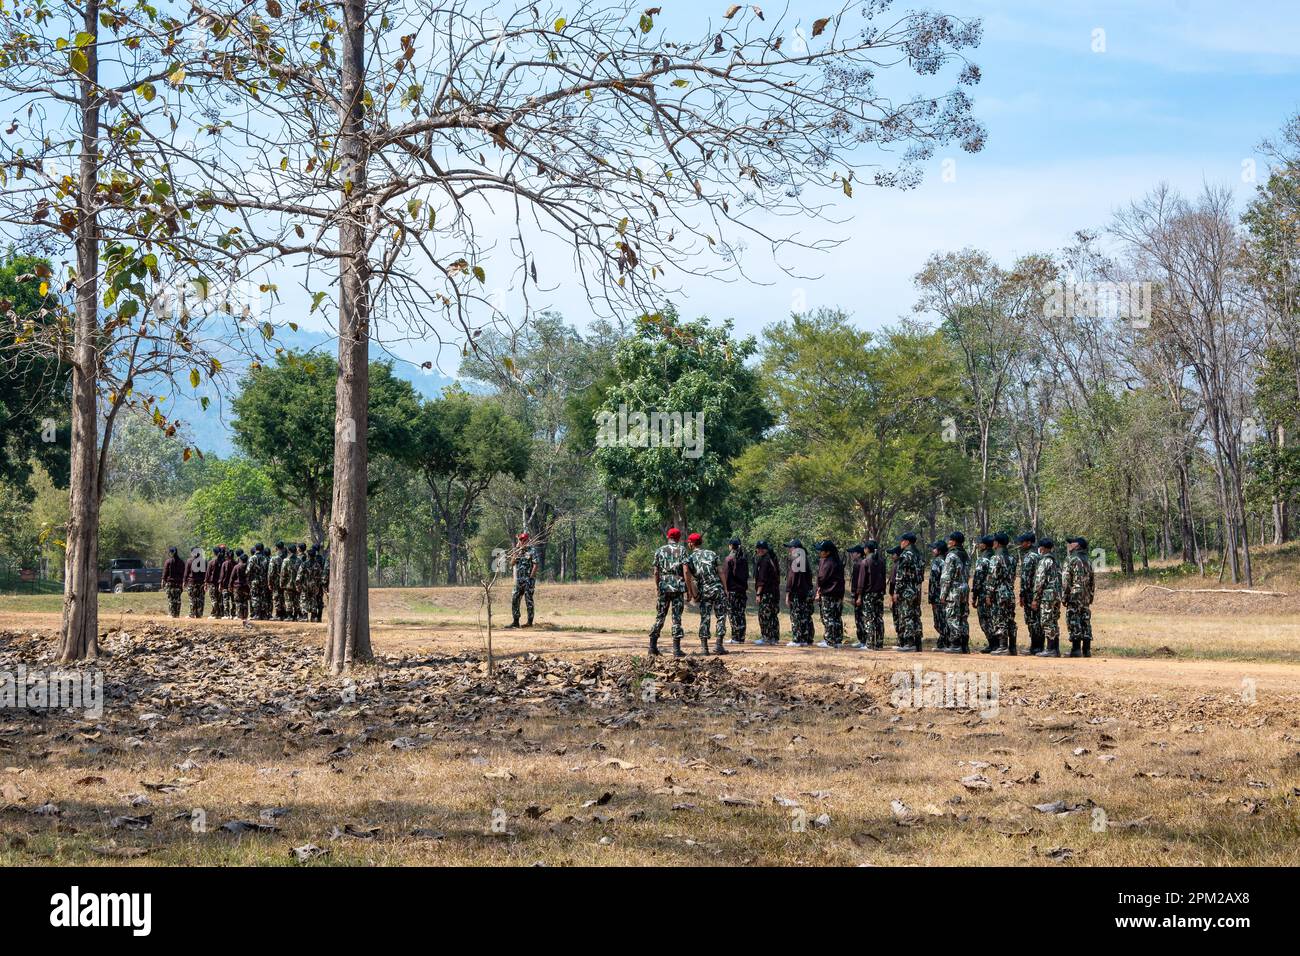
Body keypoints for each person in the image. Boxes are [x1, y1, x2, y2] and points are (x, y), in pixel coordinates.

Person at [684, 532, 727, 655]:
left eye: (689, 542)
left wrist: (691, 592)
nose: (689, 544)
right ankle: (719, 645)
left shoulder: (690, 558)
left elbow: (688, 574)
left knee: (705, 617)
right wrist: (725, 588)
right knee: (721, 616)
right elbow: (721, 572)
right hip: (717, 588)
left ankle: (704, 648)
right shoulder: (712, 553)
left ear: (692, 544)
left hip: (705, 590)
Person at [649, 528, 687, 657]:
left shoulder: (659, 550)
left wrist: (658, 587)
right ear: (679, 538)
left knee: (660, 616)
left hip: (664, 585)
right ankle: (676, 649)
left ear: (668, 536)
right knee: (676, 618)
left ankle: (652, 647)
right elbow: (685, 570)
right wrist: (687, 586)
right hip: (677, 585)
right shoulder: (682, 550)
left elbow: (656, 571)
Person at [1062, 536, 1095, 657]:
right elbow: (1092, 580)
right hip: (1085, 595)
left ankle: (1076, 650)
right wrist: (1091, 595)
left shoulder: (1071, 559)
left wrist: (1064, 596)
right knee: (1085, 620)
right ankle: (1087, 650)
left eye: (1071, 543)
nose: (1069, 545)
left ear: (1078, 546)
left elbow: (1066, 581)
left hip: (1074, 595)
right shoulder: (1088, 560)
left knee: (1073, 619)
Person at [939, 530, 970, 654]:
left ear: (954, 542)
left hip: (954, 590)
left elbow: (946, 577)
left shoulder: (951, 555)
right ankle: (964, 645)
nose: (948, 542)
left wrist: (943, 594)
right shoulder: (965, 555)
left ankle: (955, 644)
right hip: (964, 589)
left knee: (952, 617)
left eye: (950, 540)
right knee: (963, 617)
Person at [1031, 537, 1062, 657]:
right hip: (1056, 595)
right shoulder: (1055, 561)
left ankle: (1050, 649)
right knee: (1053, 620)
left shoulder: (1044, 561)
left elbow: (1040, 581)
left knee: (1046, 621)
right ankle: (1055, 648)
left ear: (1042, 548)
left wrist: (1035, 598)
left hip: (1047, 596)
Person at [893, 532, 924, 651]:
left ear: (907, 542)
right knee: (916, 615)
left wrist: (896, 592)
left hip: (906, 590)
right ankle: (917, 643)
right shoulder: (918, 554)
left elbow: (900, 576)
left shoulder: (906, 555)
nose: (900, 543)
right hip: (916, 589)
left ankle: (909, 644)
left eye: (902, 541)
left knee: (907, 616)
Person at [815, 540, 845, 648]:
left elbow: (822, 578)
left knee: (829, 617)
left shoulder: (828, 562)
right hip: (837, 594)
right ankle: (837, 640)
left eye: (821, 551)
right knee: (836, 617)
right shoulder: (837, 561)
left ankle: (830, 641)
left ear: (828, 552)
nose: (820, 552)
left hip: (829, 594)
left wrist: (818, 590)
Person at [991, 532, 1017, 655]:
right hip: (1010, 592)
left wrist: (988, 594)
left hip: (999, 593)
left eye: (994, 541)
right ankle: (1012, 647)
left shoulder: (995, 558)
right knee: (1010, 619)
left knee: (1000, 618)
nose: (993, 543)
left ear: (998, 543)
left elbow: (992, 578)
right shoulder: (1012, 558)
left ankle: (1002, 647)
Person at [785, 538, 815, 646]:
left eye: (790, 547)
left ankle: (798, 639)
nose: (789, 550)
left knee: (797, 616)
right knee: (805, 616)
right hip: (805, 592)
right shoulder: (804, 558)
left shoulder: (797, 558)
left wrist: (788, 593)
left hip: (798, 593)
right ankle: (807, 638)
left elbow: (793, 578)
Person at [1017, 533, 1043, 654]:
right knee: (1038, 619)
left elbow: (1026, 578)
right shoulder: (1038, 556)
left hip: (1030, 594)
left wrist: (1022, 594)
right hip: (1038, 593)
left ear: (1029, 543)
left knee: (1032, 620)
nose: (1020, 545)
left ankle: (1035, 647)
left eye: (1022, 542)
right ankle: (1039, 646)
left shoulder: (1029, 557)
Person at [752, 540, 781, 646]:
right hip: (774, 592)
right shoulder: (772, 558)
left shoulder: (764, 561)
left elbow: (761, 580)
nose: (758, 550)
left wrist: (758, 594)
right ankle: (774, 638)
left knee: (764, 615)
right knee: (773, 615)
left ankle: (766, 637)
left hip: (766, 593)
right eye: (758, 548)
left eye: (760, 548)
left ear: (763, 550)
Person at [508, 532, 538, 628]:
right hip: (519, 580)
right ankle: (515, 621)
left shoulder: (532, 551)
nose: (522, 541)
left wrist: (531, 577)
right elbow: (512, 563)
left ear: (527, 540)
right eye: (520, 540)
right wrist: (516, 551)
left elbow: (535, 565)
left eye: (523, 540)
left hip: (528, 579)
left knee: (528, 600)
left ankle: (529, 622)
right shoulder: (519, 552)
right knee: (515, 598)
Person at [972, 535, 996, 653]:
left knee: (985, 620)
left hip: (983, 593)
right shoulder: (995, 556)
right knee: (993, 618)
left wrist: (974, 596)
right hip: (995, 593)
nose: (979, 545)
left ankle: (993, 643)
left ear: (985, 545)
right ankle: (998, 643)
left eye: (980, 543)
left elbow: (978, 579)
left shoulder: (983, 559)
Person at [722, 538, 748, 644]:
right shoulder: (744, 559)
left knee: (733, 614)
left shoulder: (729, 559)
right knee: (741, 614)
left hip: (732, 591)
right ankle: (741, 637)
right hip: (742, 591)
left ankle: (735, 637)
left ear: (730, 546)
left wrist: (725, 589)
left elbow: (726, 576)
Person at [862, 540, 886, 649]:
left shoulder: (865, 561)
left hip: (869, 594)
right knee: (879, 618)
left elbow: (862, 581)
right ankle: (879, 643)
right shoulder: (881, 561)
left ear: (867, 549)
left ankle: (869, 643)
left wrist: (858, 595)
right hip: (879, 594)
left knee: (869, 618)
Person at [927, 540, 949, 650]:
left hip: (938, 596)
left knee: (939, 621)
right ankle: (943, 642)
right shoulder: (947, 560)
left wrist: (932, 598)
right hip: (947, 595)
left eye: (934, 548)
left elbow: (933, 581)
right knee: (945, 618)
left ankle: (946, 643)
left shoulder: (937, 561)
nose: (932, 550)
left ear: (939, 550)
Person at [847, 544, 868, 648]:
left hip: (859, 595)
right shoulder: (862, 563)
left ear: (859, 554)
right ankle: (863, 640)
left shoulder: (859, 564)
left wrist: (854, 595)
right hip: (864, 594)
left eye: (853, 552)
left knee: (859, 618)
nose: (851, 554)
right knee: (861, 617)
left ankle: (863, 640)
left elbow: (857, 583)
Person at [301, 545, 325, 623]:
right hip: (315, 586)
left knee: (304, 600)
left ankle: (304, 616)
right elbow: (321, 576)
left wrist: (298, 585)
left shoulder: (304, 564)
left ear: (308, 555)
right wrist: (319, 585)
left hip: (305, 585)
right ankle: (314, 617)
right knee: (314, 600)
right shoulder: (318, 564)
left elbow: (299, 576)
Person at [183, 547, 206, 618]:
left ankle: (192, 614)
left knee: (192, 599)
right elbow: (205, 573)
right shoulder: (203, 561)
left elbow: (186, 572)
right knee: (200, 599)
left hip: (191, 582)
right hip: (201, 583)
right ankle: (199, 614)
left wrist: (184, 581)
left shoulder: (189, 561)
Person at [248, 543, 270, 620]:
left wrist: (249, 580)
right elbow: (269, 571)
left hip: (255, 581)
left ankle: (257, 614)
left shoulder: (252, 558)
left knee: (255, 597)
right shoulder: (266, 558)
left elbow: (248, 571)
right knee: (263, 597)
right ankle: (264, 614)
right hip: (264, 581)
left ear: (255, 548)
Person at [886, 544, 902, 646]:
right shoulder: (898, 564)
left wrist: (891, 597)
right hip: (899, 595)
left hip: (896, 596)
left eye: (893, 554)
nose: (892, 556)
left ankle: (901, 640)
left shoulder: (897, 565)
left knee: (898, 618)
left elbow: (893, 583)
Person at [162, 546, 184, 618]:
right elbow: (183, 573)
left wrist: (163, 580)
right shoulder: (181, 562)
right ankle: (177, 614)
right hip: (179, 583)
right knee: (177, 599)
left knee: (171, 599)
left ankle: (171, 614)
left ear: (171, 553)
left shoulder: (168, 561)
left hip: (170, 583)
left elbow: (165, 572)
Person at [269, 541, 287, 620]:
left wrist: (269, 582)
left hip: (276, 581)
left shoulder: (274, 558)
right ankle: (285, 614)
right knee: (284, 597)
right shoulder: (287, 557)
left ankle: (278, 615)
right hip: (286, 581)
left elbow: (271, 572)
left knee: (277, 597)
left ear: (276, 548)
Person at [230, 549, 250, 620]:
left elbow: (232, 577)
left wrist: (230, 586)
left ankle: (239, 616)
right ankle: (245, 616)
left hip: (237, 586)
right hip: (246, 586)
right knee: (245, 601)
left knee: (238, 601)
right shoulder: (248, 567)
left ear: (240, 559)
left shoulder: (237, 567)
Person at [207, 545, 226, 618]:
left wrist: (206, 582)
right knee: (220, 599)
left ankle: (215, 613)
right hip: (221, 583)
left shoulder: (212, 562)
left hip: (213, 583)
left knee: (213, 599)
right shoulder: (224, 561)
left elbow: (208, 574)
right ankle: (220, 613)